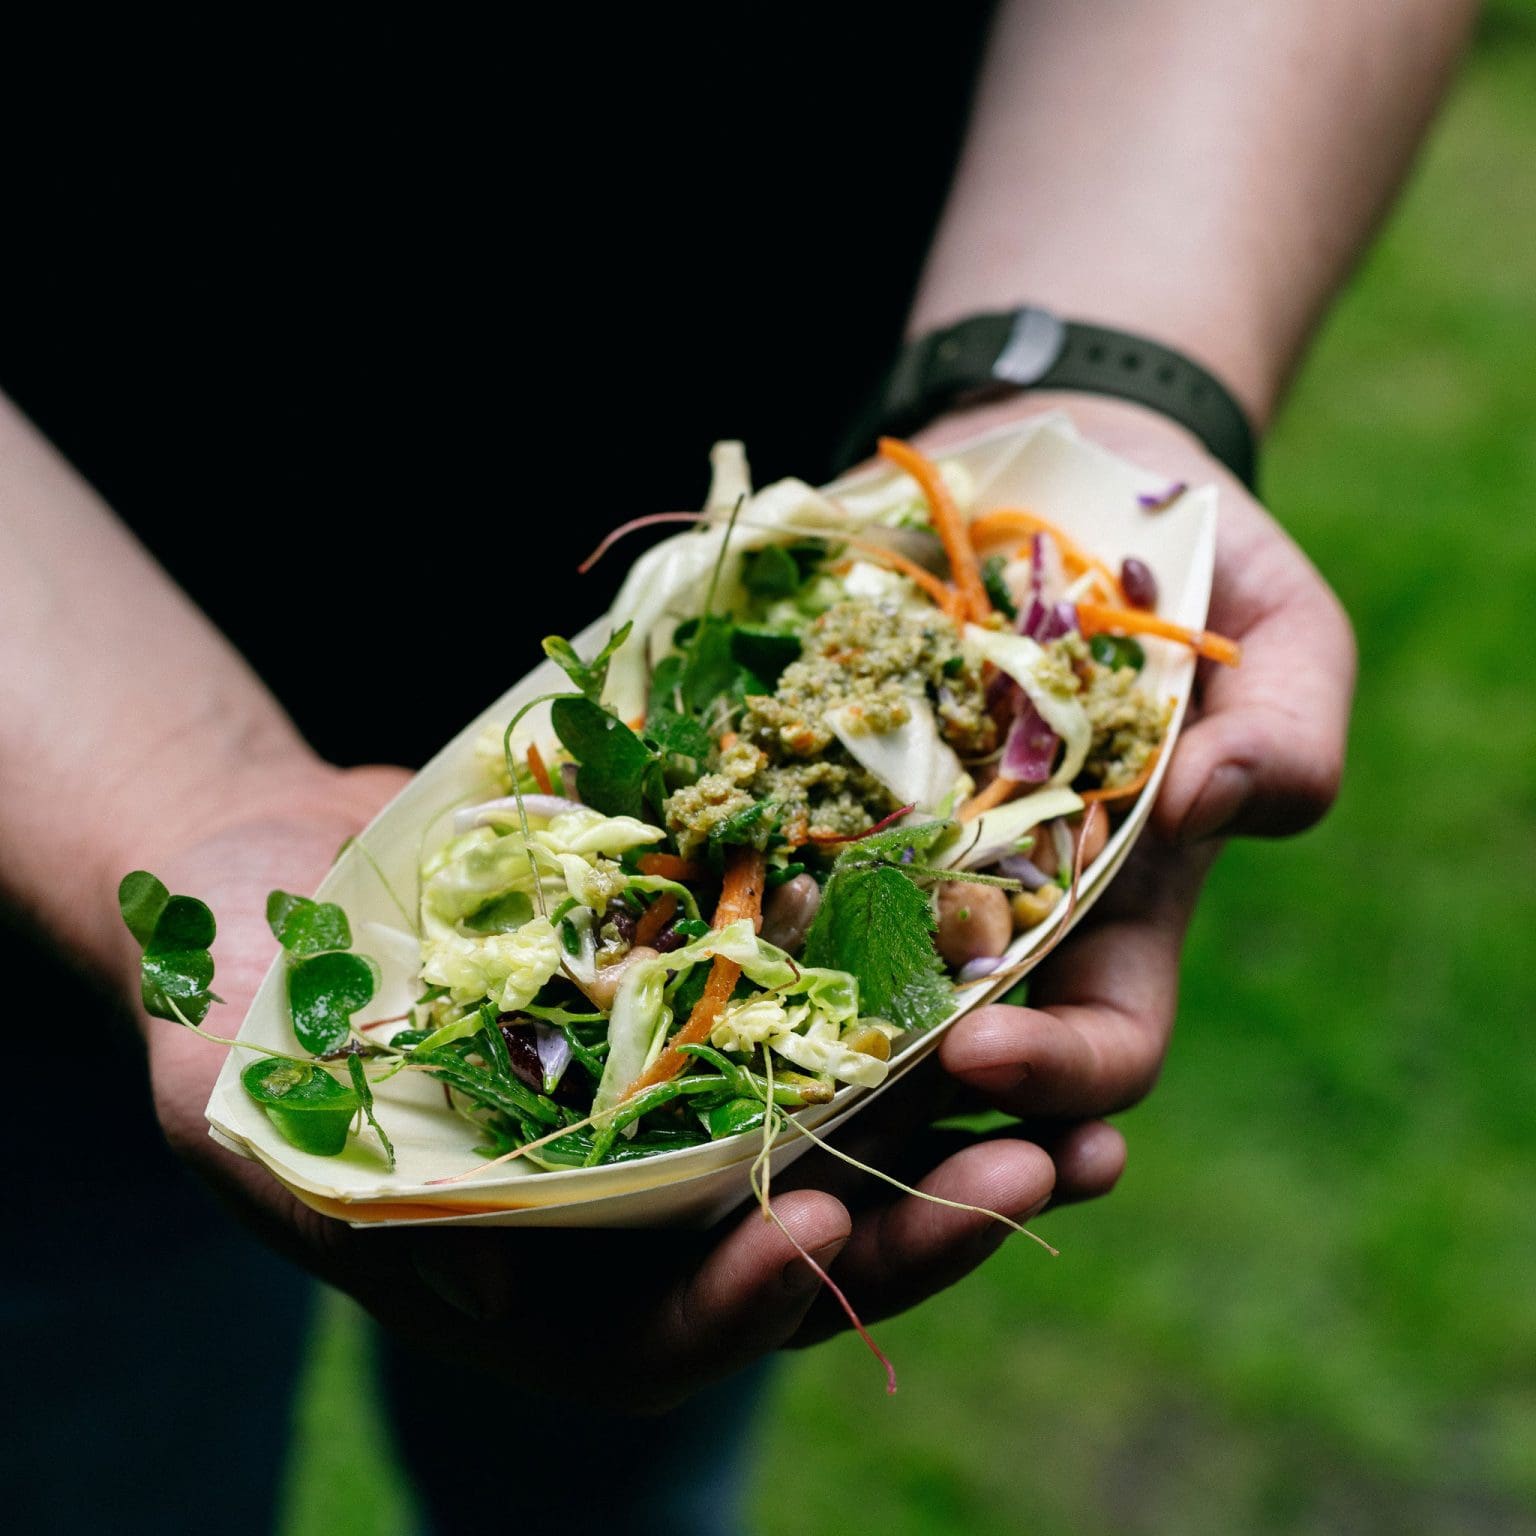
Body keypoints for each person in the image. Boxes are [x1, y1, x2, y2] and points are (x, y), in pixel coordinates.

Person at [0, 3, 1474, 1531]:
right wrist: (160, 779)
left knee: (642, 1416)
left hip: (824, 423)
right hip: (38, 751)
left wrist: (1086, 368)